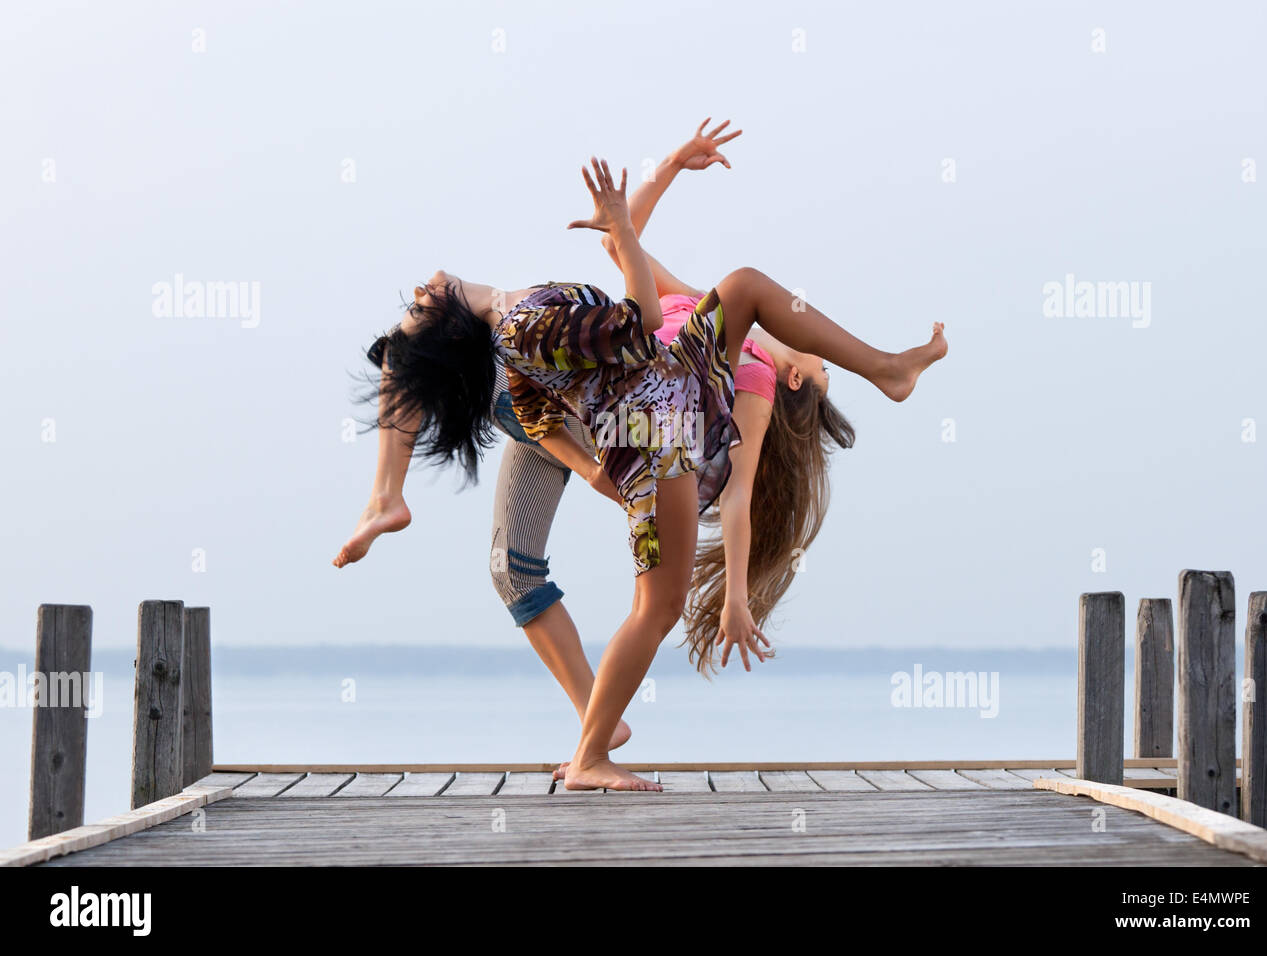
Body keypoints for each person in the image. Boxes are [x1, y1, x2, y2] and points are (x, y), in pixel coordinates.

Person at [334, 152, 947, 790]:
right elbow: (639, 316)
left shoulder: (541, 330)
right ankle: (591, 755)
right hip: (652, 433)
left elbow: (562, 400)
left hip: (663, 406)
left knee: (743, 287)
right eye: (427, 299)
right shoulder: (544, 327)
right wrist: (637, 216)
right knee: (656, 609)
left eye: (827, 368)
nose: (429, 283)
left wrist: (595, 473)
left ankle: (885, 369)